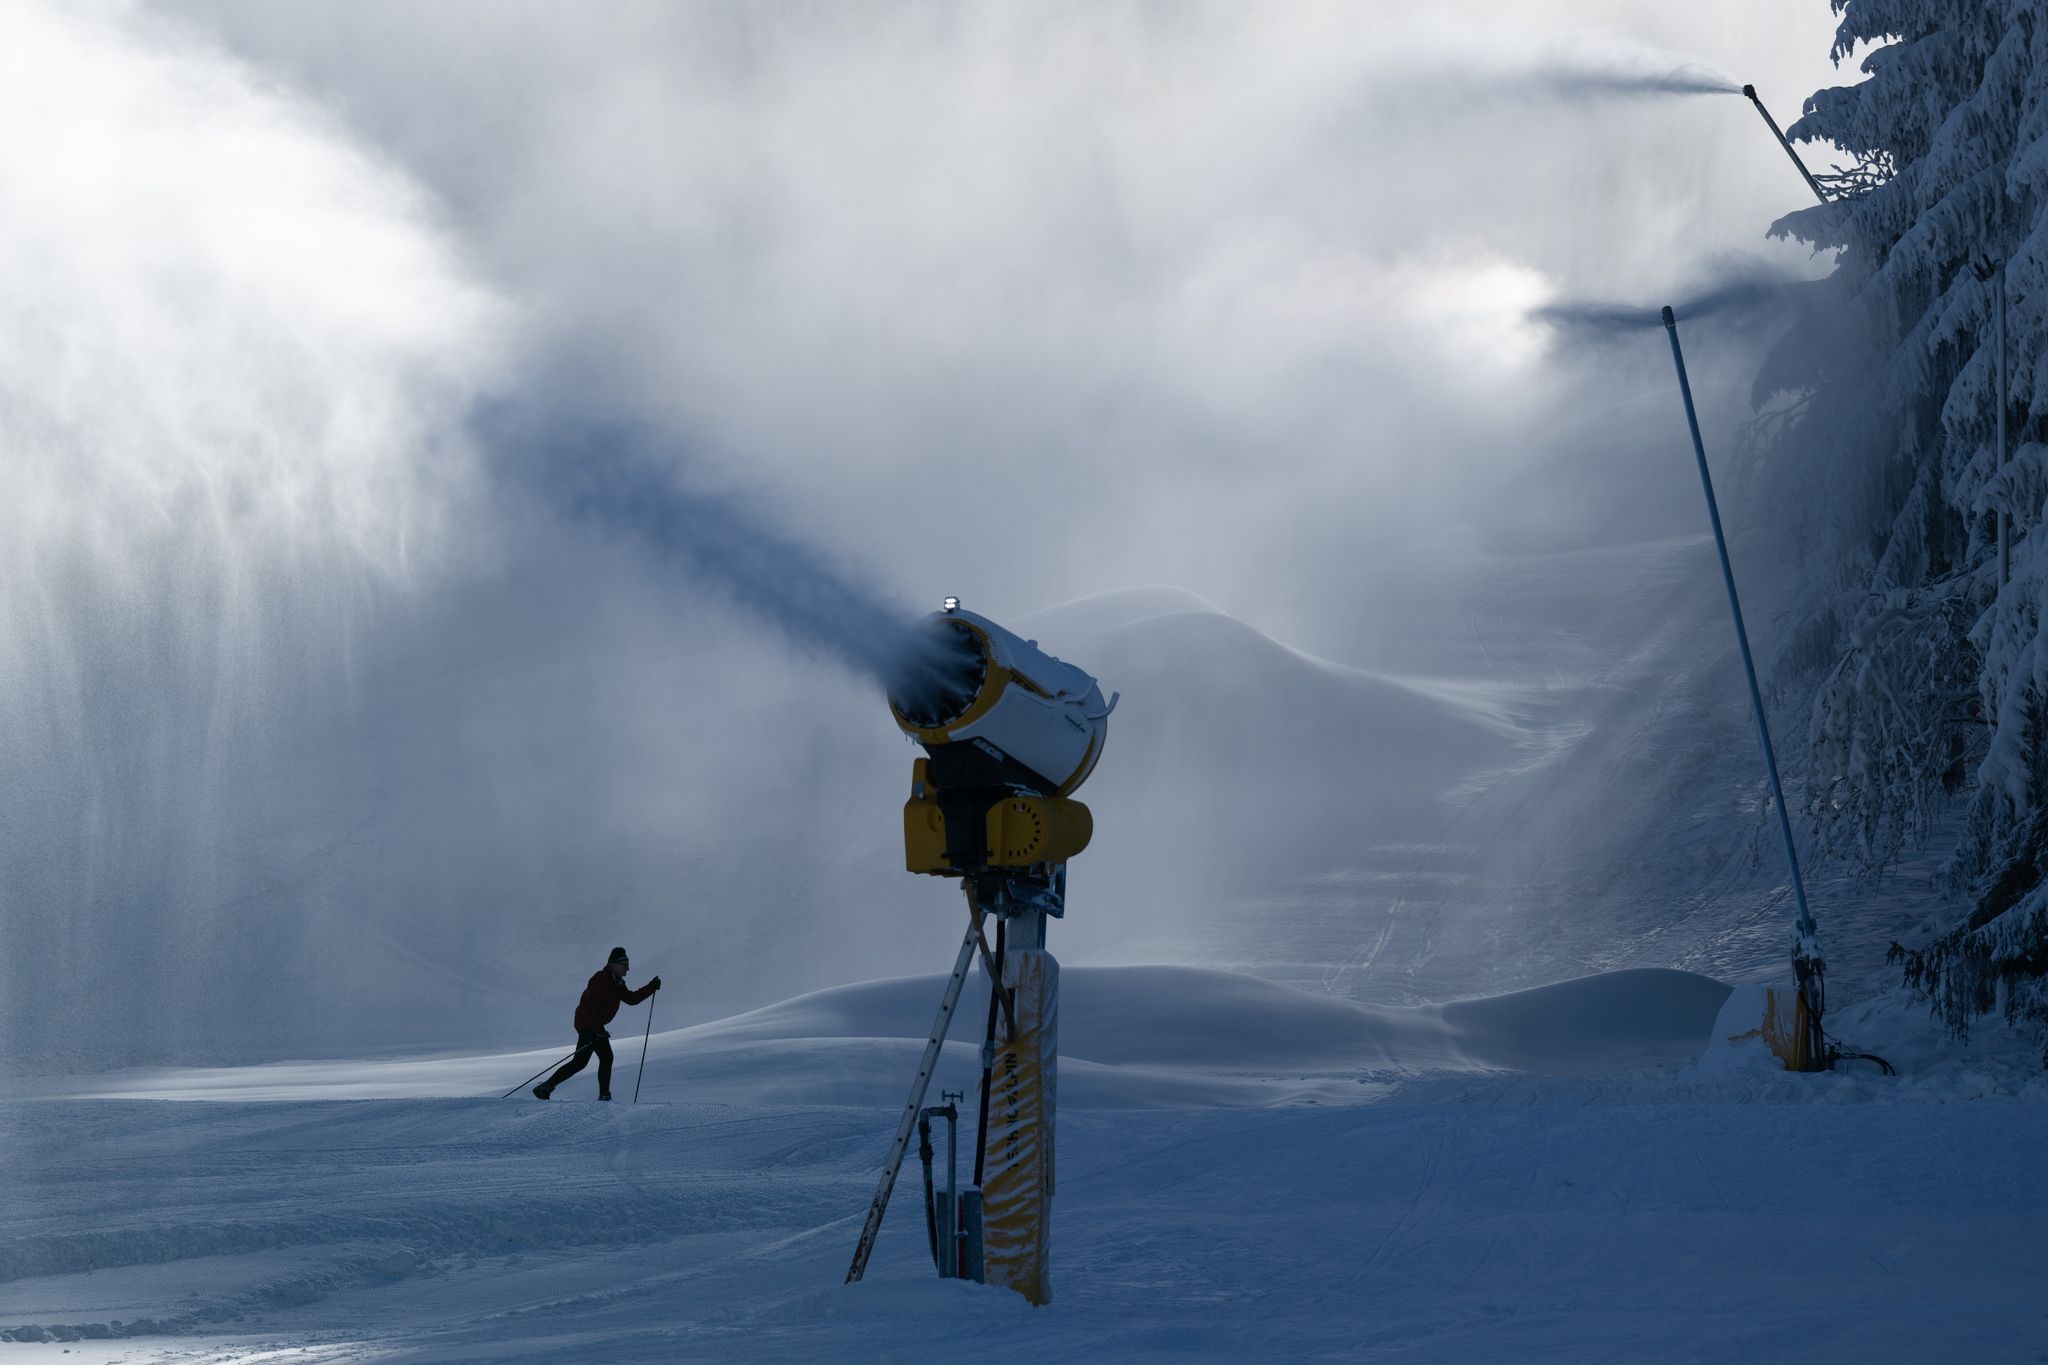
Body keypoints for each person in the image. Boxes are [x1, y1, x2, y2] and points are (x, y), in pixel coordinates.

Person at [533, 946, 660, 1101]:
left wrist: (651, 987)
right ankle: (546, 1088)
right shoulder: (601, 979)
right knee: (584, 1061)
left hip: (595, 1025)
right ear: (614, 964)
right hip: (587, 1023)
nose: (628, 969)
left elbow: (631, 999)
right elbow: (587, 1008)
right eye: (625, 965)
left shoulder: (617, 982)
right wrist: (597, 1030)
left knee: (596, 1059)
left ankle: (549, 1088)